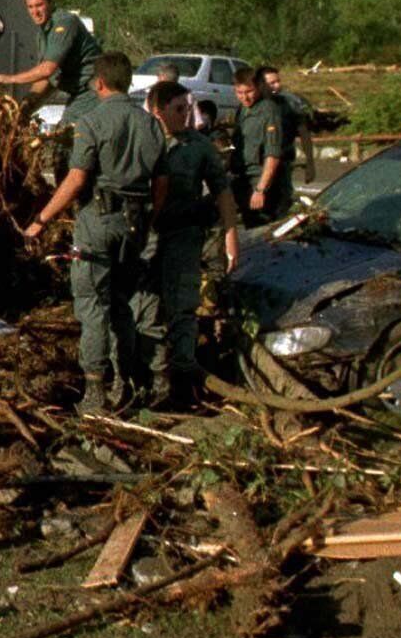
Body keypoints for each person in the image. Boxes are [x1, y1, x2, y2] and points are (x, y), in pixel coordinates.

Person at [24, 52, 165, 414]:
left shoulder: (91, 121)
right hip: (134, 226)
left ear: (99, 83)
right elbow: (161, 182)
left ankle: (95, 392)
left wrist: (42, 219)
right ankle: (126, 383)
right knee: (122, 304)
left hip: (97, 225)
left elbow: (76, 179)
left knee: (92, 308)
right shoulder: (150, 124)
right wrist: (150, 218)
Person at [135, 80, 240, 407]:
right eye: (179, 109)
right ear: (158, 110)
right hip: (146, 238)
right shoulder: (141, 141)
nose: (187, 115)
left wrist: (231, 237)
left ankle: (181, 380)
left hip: (184, 236)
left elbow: (222, 191)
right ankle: (150, 377)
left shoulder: (198, 146)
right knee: (144, 307)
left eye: (188, 108)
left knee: (183, 307)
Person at [0, 0, 102, 124]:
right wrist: (26, 107)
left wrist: (9, 79)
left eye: (39, 5)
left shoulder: (64, 24)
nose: (35, 12)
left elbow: (47, 69)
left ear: (50, 4)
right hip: (80, 93)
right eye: (30, 7)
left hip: (94, 91)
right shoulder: (42, 34)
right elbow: (47, 80)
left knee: (66, 138)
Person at [231, 67, 291, 226]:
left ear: (258, 87)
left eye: (249, 92)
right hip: (243, 178)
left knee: (261, 228)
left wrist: (260, 189)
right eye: (239, 93)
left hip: (260, 180)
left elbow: (273, 153)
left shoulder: (269, 110)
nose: (244, 97)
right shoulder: (242, 110)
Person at [258, 64, 317, 184]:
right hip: (257, 165)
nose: (277, 86)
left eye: (278, 81)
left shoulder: (290, 103)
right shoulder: (252, 104)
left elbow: (304, 133)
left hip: (282, 163)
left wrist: (310, 163)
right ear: (261, 85)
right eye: (272, 83)